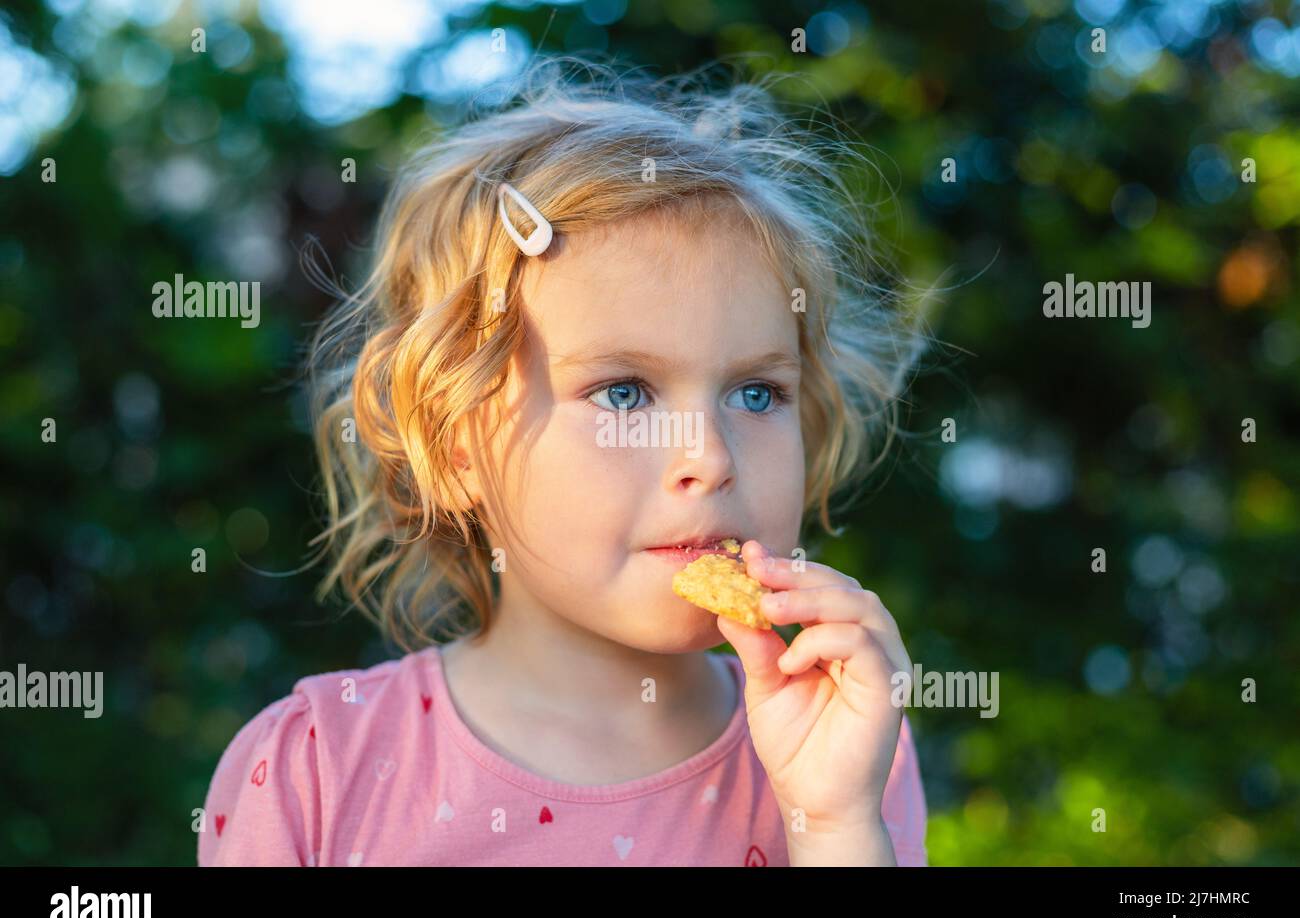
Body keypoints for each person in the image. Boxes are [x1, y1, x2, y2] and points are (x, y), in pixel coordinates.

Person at [199, 55, 930, 867]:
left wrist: (832, 829)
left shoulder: (846, 750)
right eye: (624, 393)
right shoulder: (316, 773)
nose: (709, 458)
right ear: (455, 446)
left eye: (756, 394)